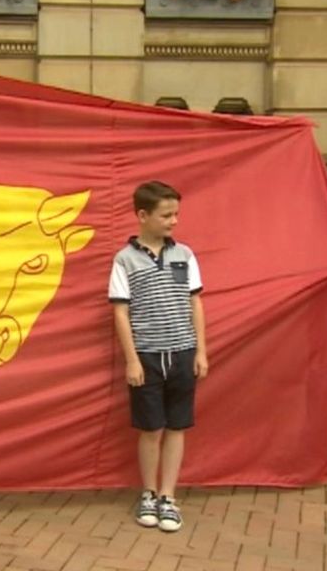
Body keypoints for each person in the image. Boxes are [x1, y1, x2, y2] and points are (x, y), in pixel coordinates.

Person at [109, 181, 209, 532]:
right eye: (166, 215)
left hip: (182, 353)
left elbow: (195, 302)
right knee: (151, 428)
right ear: (142, 215)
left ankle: (168, 496)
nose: (173, 222)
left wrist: (201, 350)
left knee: (177, 426)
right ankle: (148, 493)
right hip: (148, 357)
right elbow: (121, 312)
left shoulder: (185, 254)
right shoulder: (124, 260)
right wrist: (133, 360)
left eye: (176, 214)